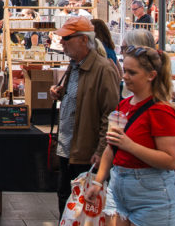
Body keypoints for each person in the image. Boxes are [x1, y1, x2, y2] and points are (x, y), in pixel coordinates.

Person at [93, 45, 175, 226]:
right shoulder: (123, 105)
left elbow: (170, 160)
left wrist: (130, 145)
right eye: (125, 71)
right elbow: (111, 148)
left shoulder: (161, 111)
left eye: (131, 73)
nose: (124, 76)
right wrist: (98, 182)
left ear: (151, 75)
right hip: (118, 187)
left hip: (151, 193)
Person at [49, 16, 121, 215]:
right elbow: (80, 96)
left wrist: (101, 150)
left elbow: (111, 114)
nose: (62, 42)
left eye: (67, 38)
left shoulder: (103, 69)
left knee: (84, 204)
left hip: (85, 152)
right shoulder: (75, 65)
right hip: (67, 147)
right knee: (65, 197)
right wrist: (60, 92)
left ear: (83, 39)